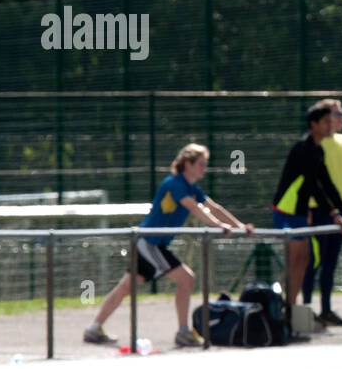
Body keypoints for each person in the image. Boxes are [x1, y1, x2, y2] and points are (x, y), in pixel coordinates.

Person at [84, 143, 254, 348]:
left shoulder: (192, 188)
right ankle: (183, 332)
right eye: (201, 164)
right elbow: (195, 208)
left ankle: (94, 328)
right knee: (187, 279)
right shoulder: (174, 183)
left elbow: (213, 207)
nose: (204, 168)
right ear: (188, 164)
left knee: (125, 287)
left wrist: (240, 226)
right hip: (149, 243)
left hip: (152, 244)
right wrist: (220, 226)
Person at [271, 101, 342, 309]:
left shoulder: (318, 149)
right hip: (287, 210)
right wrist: (335, 213)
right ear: (313, 124)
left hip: (300, 210)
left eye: (331, 121)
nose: (330, 126)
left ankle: (291, 310)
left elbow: (327, 184)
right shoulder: (303, 148)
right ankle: (287, 311)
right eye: (326, 122)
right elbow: (313, 186)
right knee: (295, 262)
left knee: (303, 261)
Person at [301, 97, 342, 328]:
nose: (340, 119)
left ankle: (326, 311)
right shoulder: (315, 142)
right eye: (336, 115)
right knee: (311, 263)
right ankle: (306, 313)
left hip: (337, 212)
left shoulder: (341, 141)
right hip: (315, 211)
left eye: (340, 115)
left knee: (330, 264)